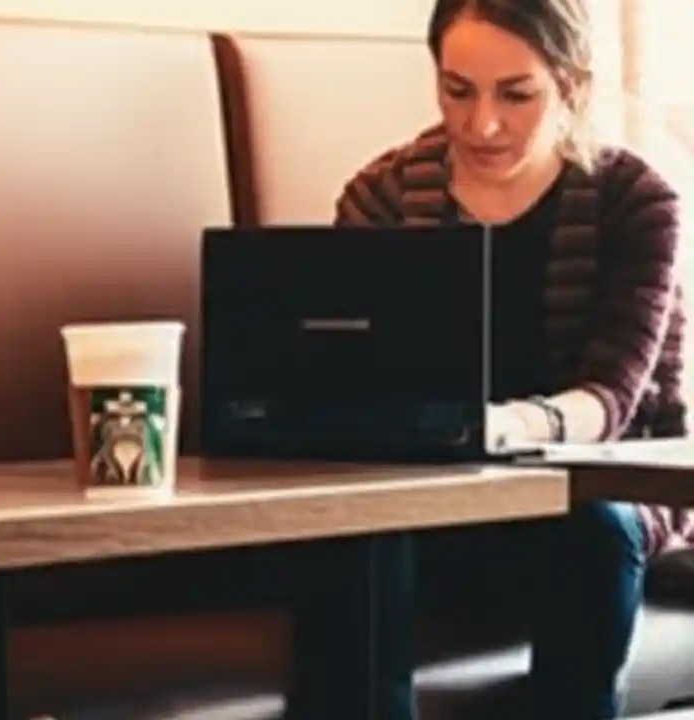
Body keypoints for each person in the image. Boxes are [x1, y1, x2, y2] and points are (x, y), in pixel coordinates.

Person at [287, 0, 690, 718]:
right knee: (350, 531)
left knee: (591, 530)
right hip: (433, 501)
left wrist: (497, 424)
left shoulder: (634, 201)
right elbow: (351, 385)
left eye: (517, 94)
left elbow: (612, 397)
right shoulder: (381, 197)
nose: (482, 124)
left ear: (572, 84)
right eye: (458, 90)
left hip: (597, 491)